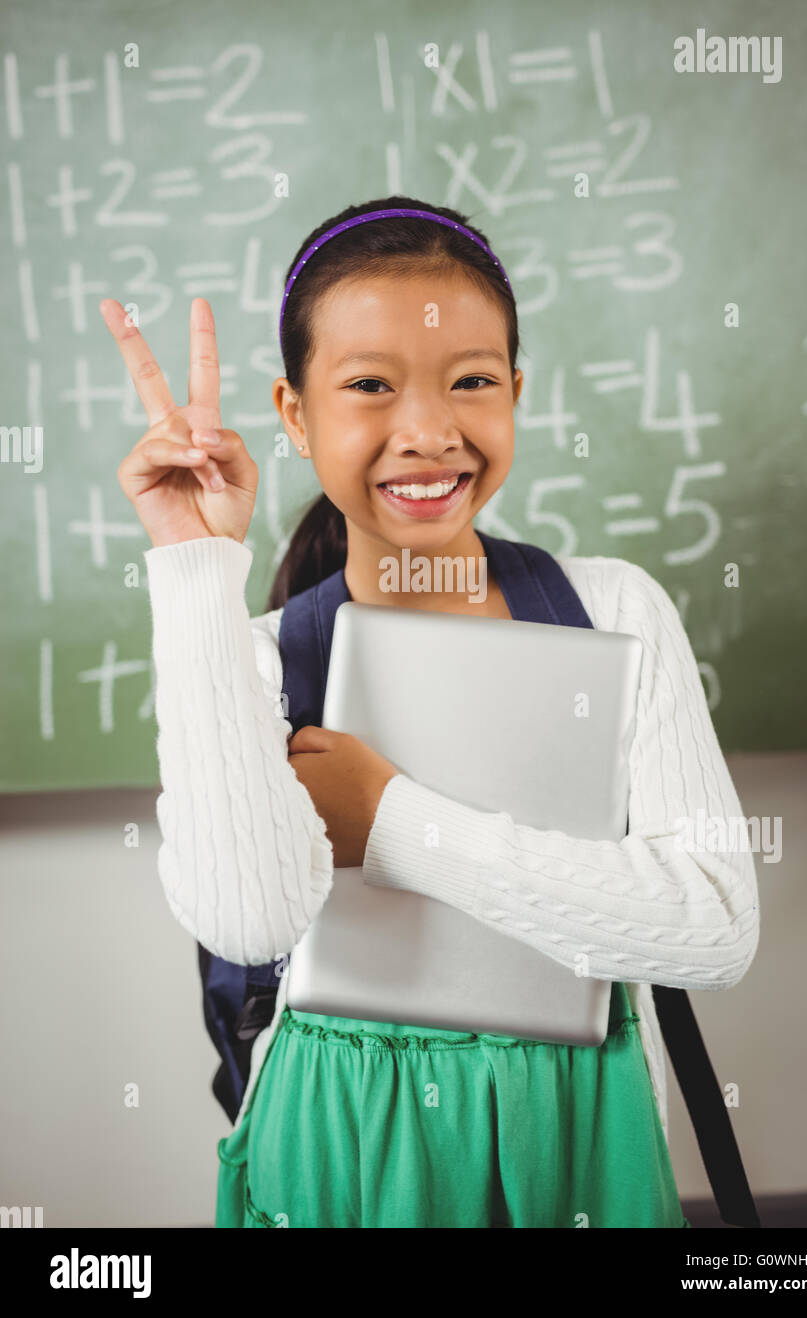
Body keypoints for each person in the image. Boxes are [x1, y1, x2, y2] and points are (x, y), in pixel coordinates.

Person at [100, 196, 759, 1228]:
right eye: (369, 385)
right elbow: (246, 920)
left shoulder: (610, 611)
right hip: (340, 1144)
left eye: (470, 383)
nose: (428, 431)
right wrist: (193, 565)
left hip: (575, 1136)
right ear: (293, 414)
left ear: (515, 394)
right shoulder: (261, 657)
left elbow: (713, 927)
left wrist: (394, 822)